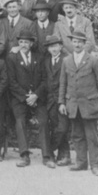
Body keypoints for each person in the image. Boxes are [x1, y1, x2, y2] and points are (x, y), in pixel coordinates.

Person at [59, 30, 98, 176]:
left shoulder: (93, 60)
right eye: (75, 41)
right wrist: (62, 102)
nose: (77, 44)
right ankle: (81, 163)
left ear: (84, 43)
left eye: (80, 42)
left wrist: (91, 93)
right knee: (77, 135)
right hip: (73, 105)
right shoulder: (66, 61)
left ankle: (95, 165)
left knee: (92, 137)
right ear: (71, 43)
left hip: (89, 105)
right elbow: (63, 84)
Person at [7, 30, 48, 168]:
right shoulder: (12, 58)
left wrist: (36, 95)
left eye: (26, 42)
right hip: (19, 99)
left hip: (37, 98)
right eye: (21, 42)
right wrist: (26, 97)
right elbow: (11, 82)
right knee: (20, 121)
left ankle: (47, 156)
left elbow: (45, 80)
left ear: (31, 44)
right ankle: (24, 155)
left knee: (43, 121)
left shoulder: (39, 57)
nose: (23, 45)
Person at [40, 35, 71, 167]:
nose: (53, 49)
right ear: (48, 49)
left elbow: (69, 81)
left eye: (56, 46)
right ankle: (64, 155)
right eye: (51, 47)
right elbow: (44, 79)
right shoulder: (46, 60)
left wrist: (63, 100)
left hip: (63, 99)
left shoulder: (67, 59)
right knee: (54, 126)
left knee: (62, 128)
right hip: (50, 100)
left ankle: (49, 150)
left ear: (61, 46)